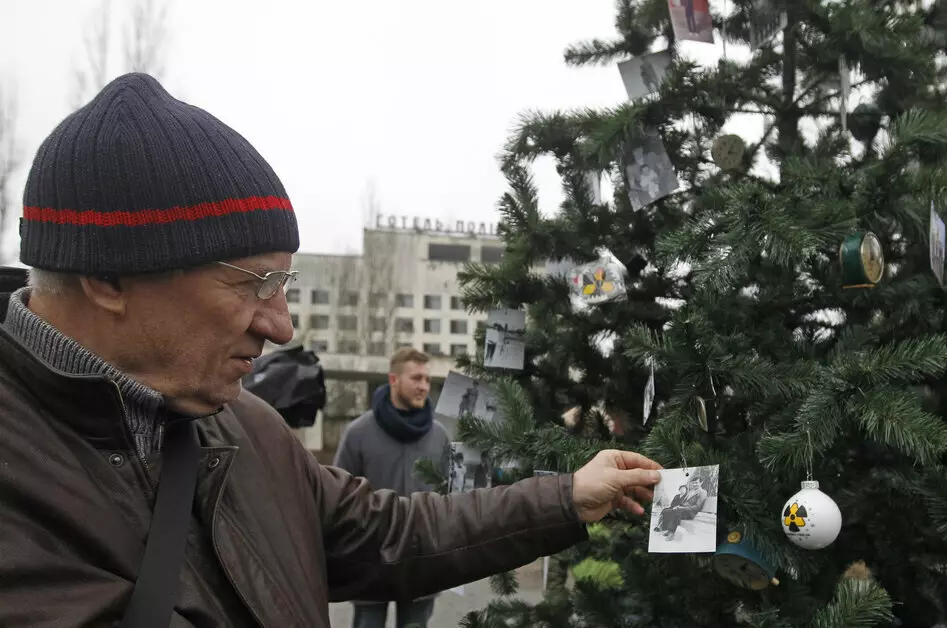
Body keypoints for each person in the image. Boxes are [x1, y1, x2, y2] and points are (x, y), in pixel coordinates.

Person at [0, 73, 663, 627]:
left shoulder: (246, 427)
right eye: (256, 284)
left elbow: (392, 532)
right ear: (110, 278)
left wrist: (567, 498)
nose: (282, 327)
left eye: (285, 285)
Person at [333, 348, 448, 628]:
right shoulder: (358, 432)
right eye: (416, 378)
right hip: (370, 558)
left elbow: (449, 496)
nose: (423, 386)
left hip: (422, 559)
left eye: (427, 379)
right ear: (393, 380)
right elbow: (338, 493)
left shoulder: (440, 436)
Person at [655, 475, 708, 541]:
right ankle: (669, 530)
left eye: (696, 482)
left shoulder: (702, 492)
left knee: (676, 512)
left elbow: (697, 507)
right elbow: (684, 503)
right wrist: (678, 506)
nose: (694, 484)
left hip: (691, 513)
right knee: (667, 511)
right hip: (683, 511)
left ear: (701, 482)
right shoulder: (691, 492)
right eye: (693, 482)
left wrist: (681, 508)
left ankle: (671, 532)